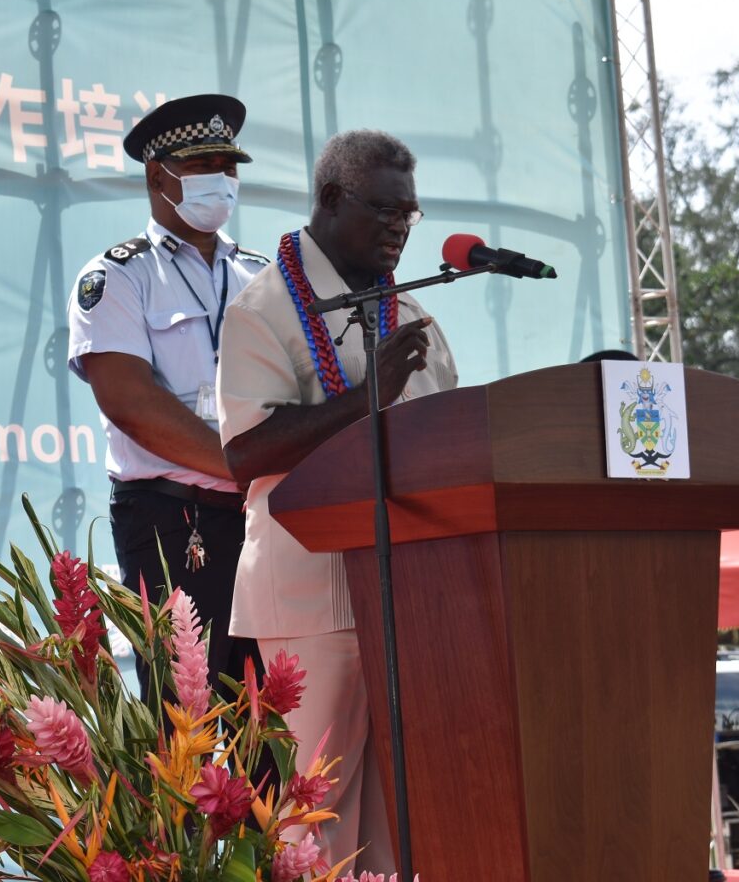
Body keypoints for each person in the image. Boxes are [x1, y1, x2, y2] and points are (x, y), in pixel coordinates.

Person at [216, 129, 458, 874]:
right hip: (311, 600)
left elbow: (452, 433)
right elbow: (248, 453)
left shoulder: (412, 313)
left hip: (405, 590)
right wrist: (364, 399)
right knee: (311, 812)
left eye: (410, 216)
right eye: (385, 209)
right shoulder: (263, 310)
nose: (399, 228)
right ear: (330, 199)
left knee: (398, 815)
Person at [67, 93, 267, 701]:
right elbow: (130, 402)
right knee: (185, 714)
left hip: (261, 517)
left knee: (268, 712)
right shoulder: (117, 275)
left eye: (229, 168)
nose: (223, 182)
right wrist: (244, 463)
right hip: (172, 521)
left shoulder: (263, 276)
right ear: (160, 175)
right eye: (208, 166)